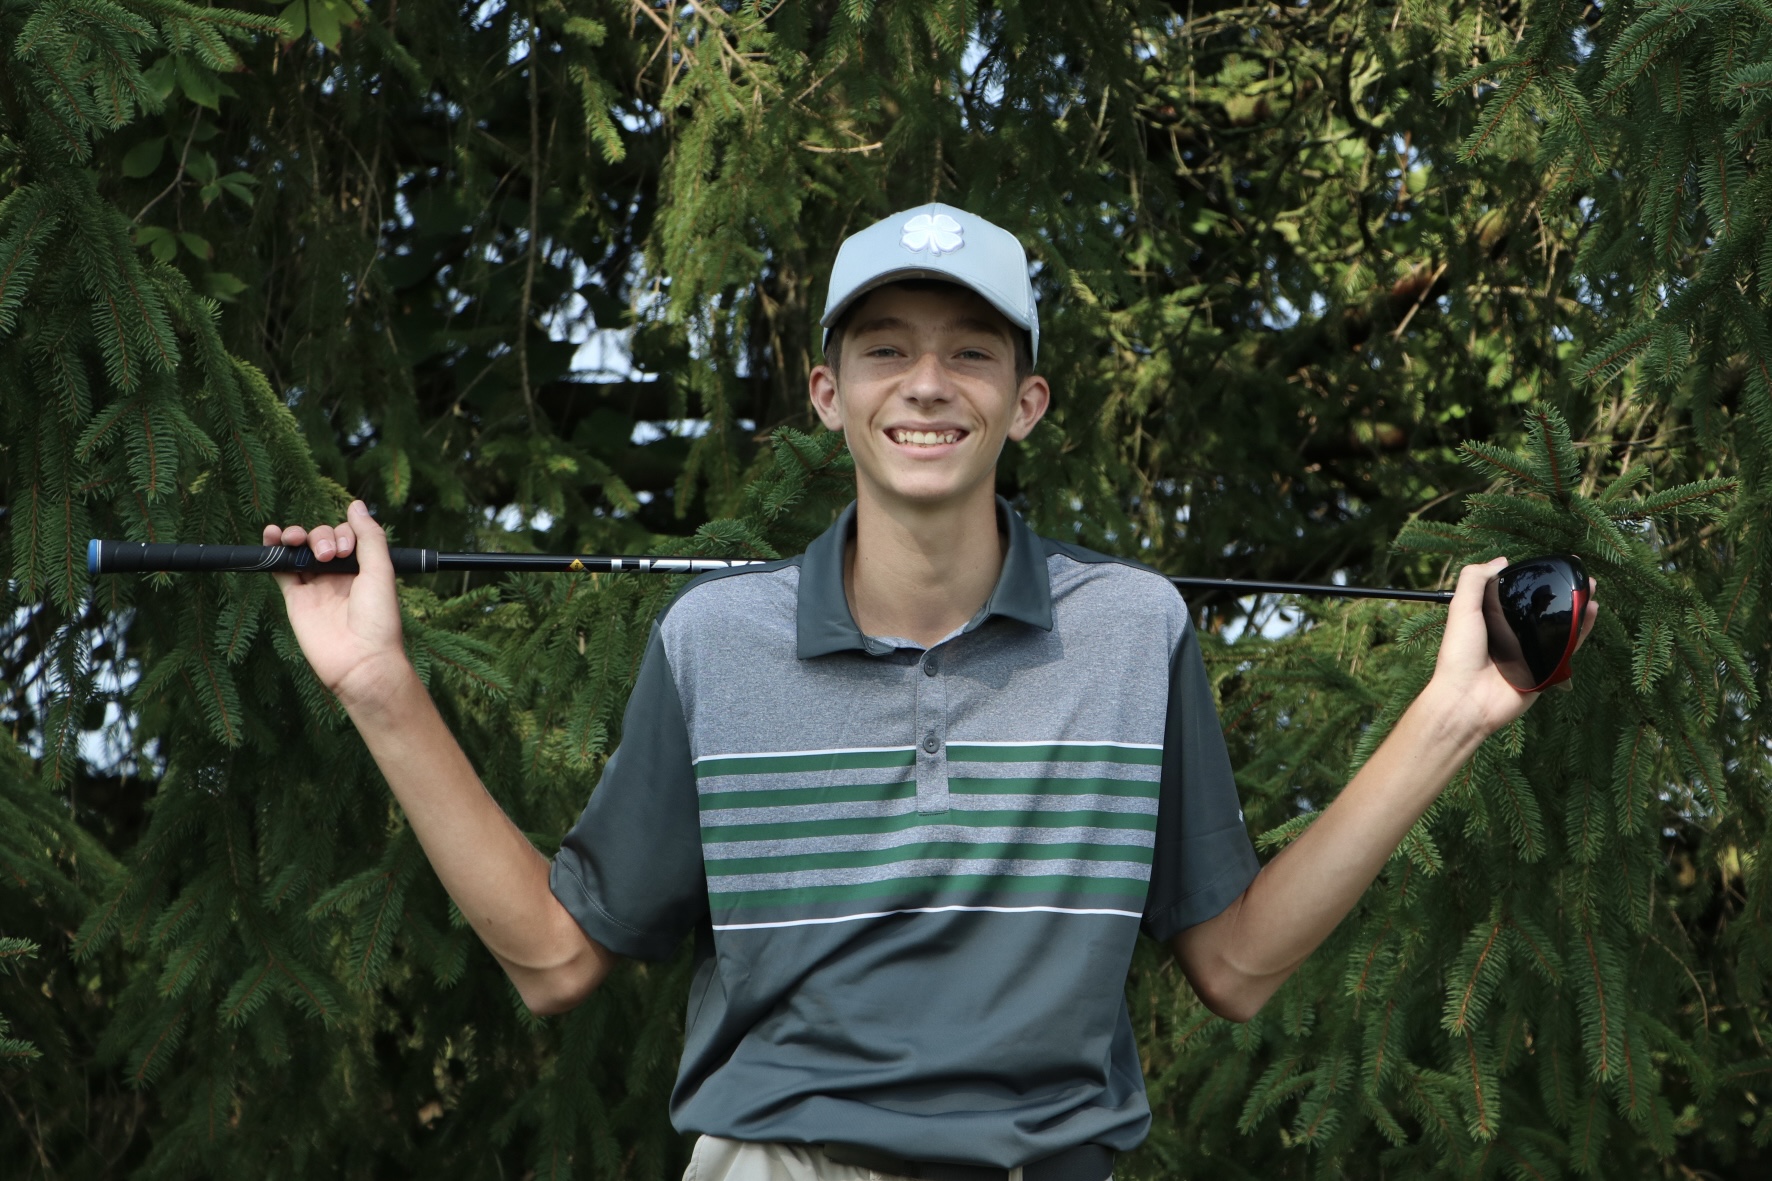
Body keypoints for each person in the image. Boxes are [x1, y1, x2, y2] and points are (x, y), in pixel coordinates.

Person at [266, 204, 1598, 1181]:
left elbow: (1237, 964)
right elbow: (559, 958)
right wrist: (380, 683)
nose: (925, 382)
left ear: (1027, 401)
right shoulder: (713, 644)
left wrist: (1452, 715)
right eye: (886, 348)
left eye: (970, 352)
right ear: (826, 392)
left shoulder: (1133, 633)